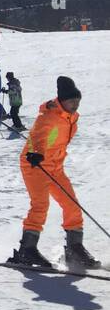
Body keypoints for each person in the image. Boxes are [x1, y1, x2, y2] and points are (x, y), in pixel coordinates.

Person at [11, 77, 98, 270]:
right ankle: (27, 249)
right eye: (71, 101)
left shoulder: (71, 117)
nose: (75, 105)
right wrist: (37, 153)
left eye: (77, 101)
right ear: (62, 100)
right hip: (35, 164)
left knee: (72, 205)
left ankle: (75, 248)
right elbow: (39, 136)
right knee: (41, 205)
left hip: (55, 167)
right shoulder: (48, 117)